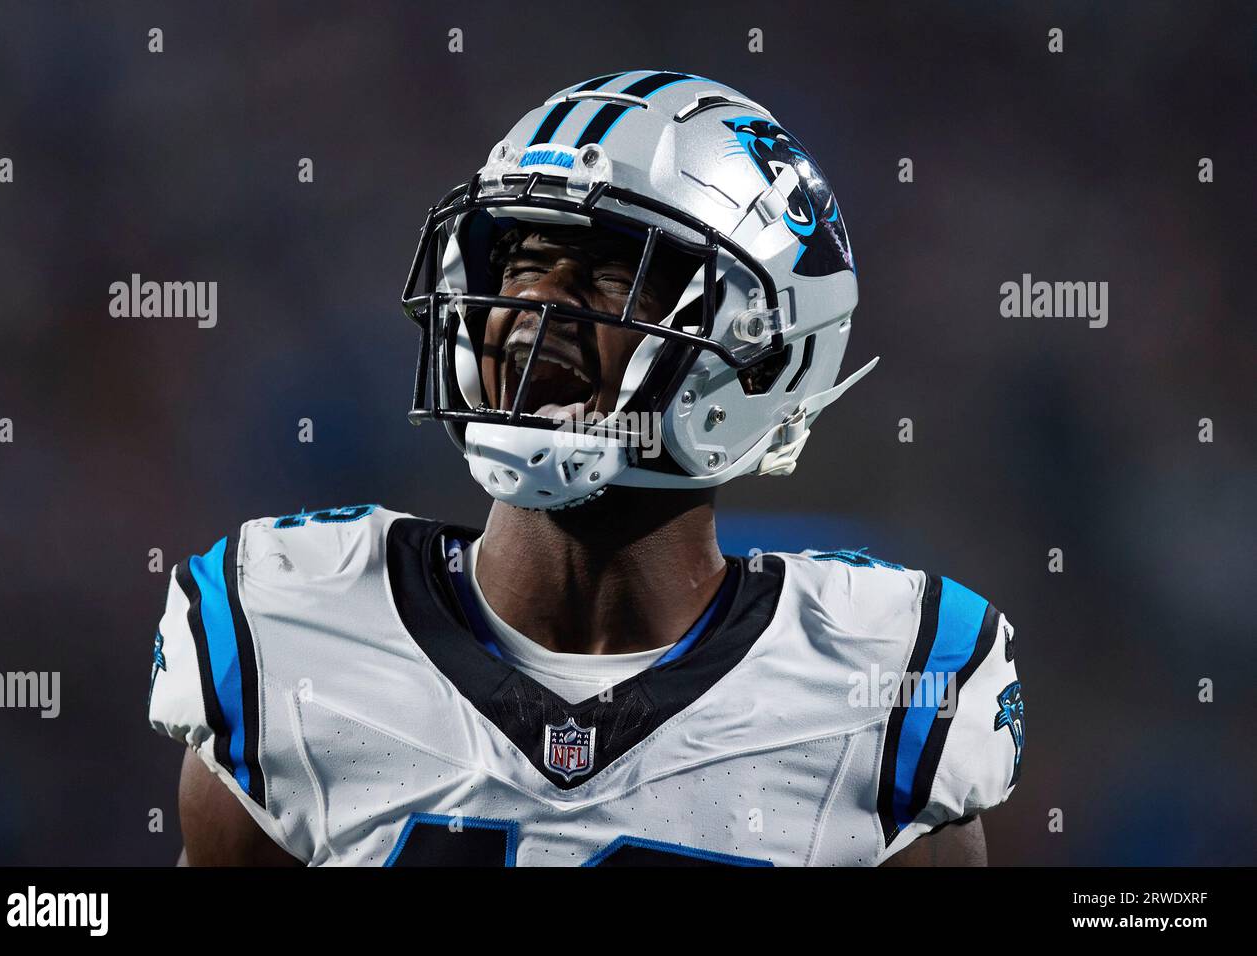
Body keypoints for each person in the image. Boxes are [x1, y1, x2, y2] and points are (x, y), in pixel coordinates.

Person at [150, 70, 1023, 866]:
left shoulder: (888, 684)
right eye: (525, 259)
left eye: (615, 275)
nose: (535, 303)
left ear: (760, 361)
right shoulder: (291, 623)